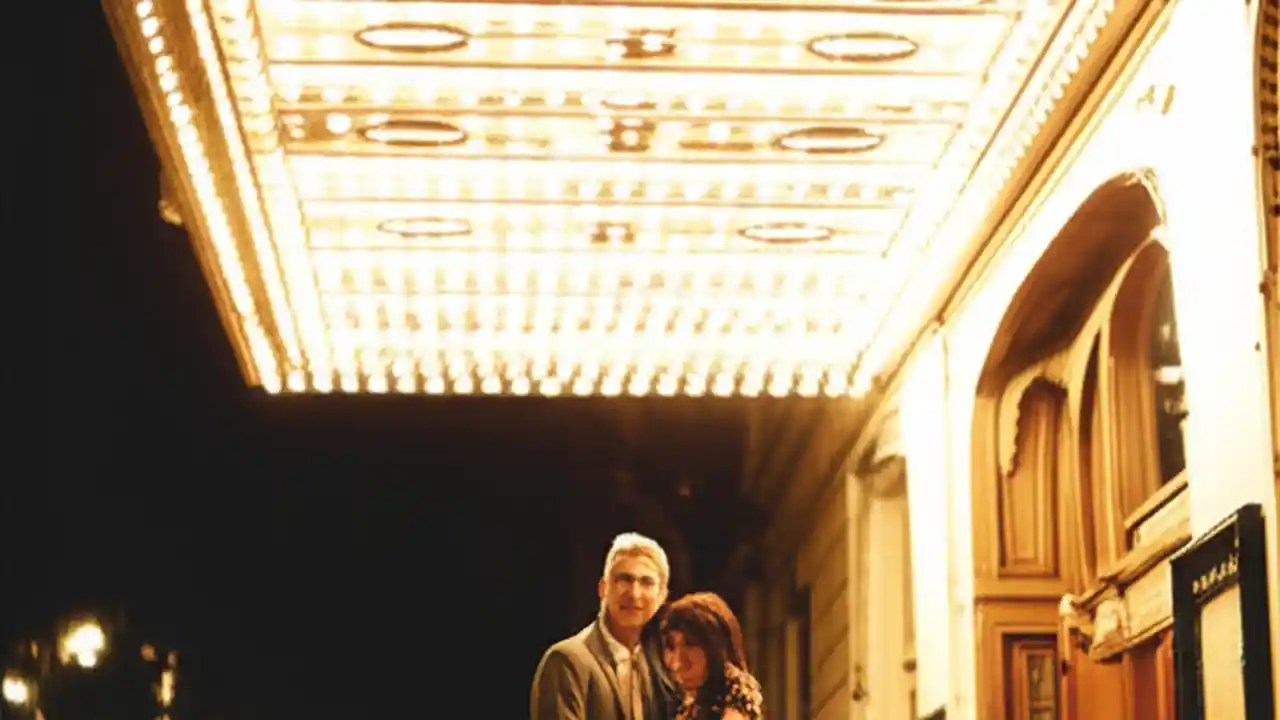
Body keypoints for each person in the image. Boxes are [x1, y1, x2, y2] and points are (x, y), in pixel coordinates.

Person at [531, 532, 679, 720]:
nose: (634, 594)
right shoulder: (566, 661)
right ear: (603, 589)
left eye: (646, 582)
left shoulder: (664, 666)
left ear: (662, 596)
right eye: (624, 579)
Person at [660, 592, 763, 720]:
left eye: (691, 644)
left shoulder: (733, 711)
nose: (677, 664)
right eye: (670, 647)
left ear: (716, 650)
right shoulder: (692, 706)